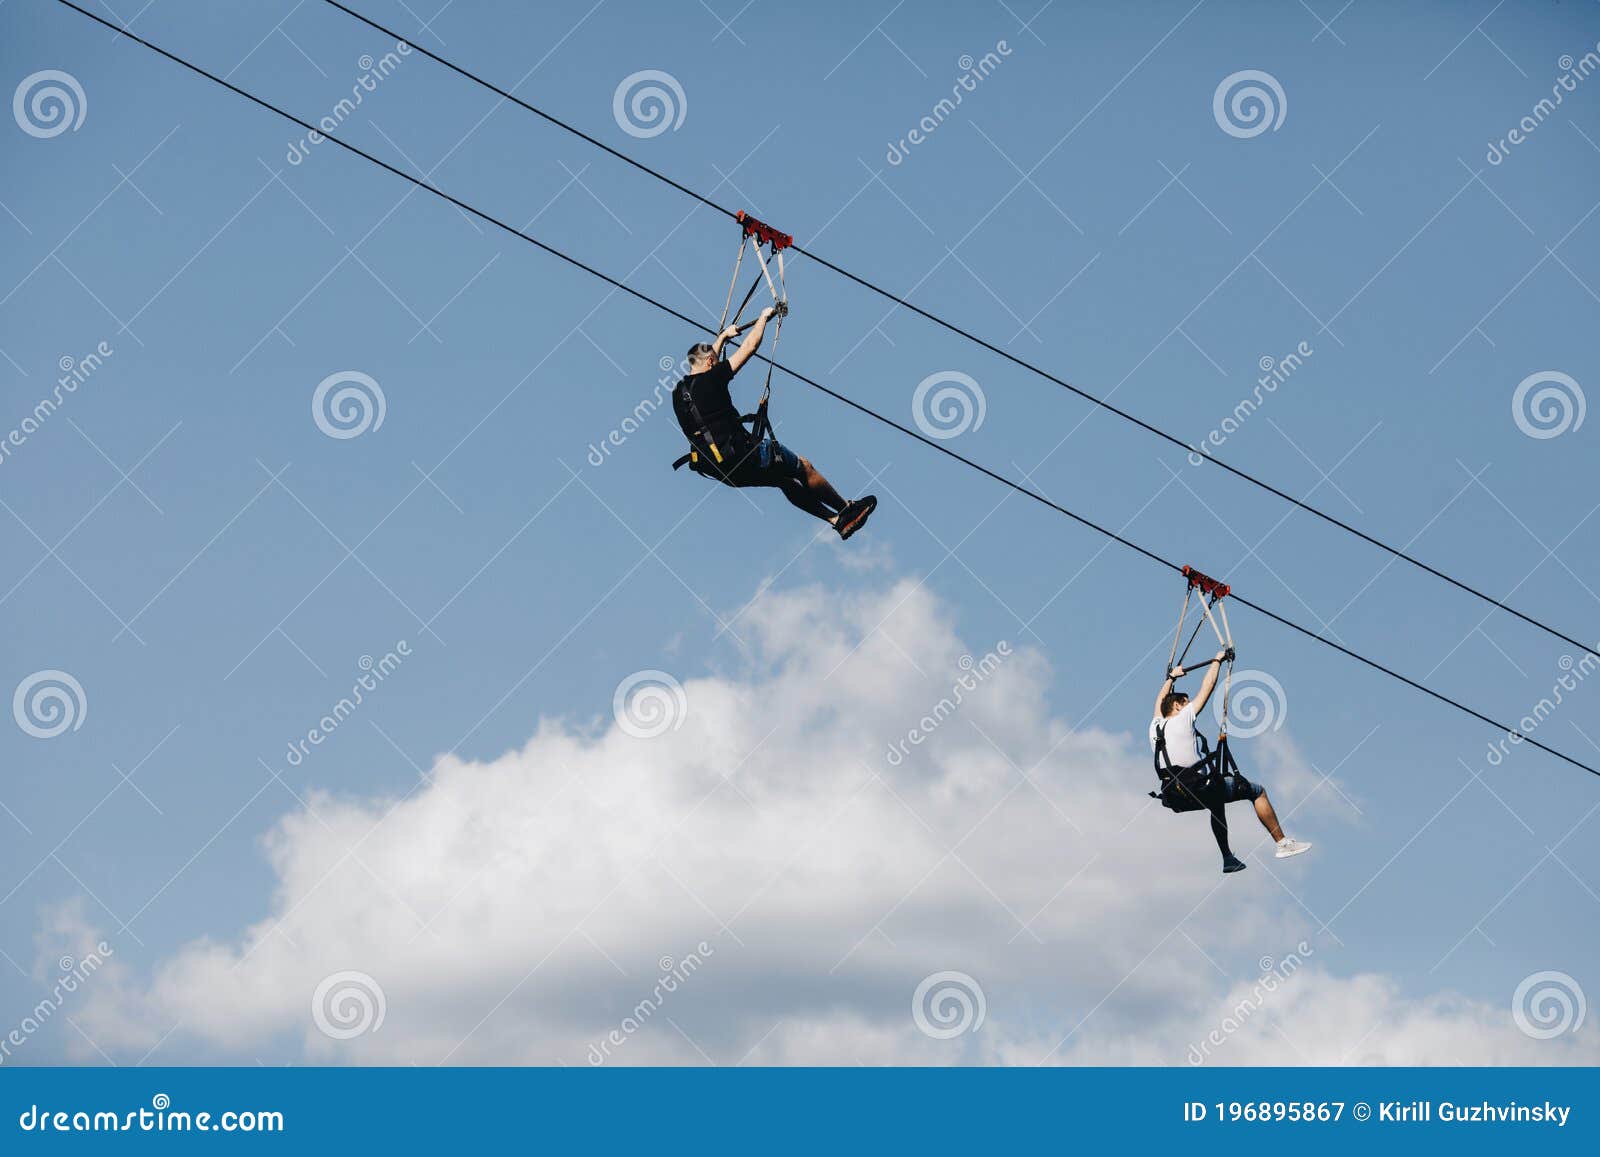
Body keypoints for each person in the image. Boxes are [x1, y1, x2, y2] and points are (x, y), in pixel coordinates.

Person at [672, 305, 877, 539]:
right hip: (743, 456)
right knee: (803, 466)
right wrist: (764, 317)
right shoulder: (713, 378)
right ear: (710, 362)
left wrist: (722, 338)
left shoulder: (679, 394)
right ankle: (846, 509)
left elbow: (708, 360)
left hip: (722, 470)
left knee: (784, 481)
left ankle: (836, 520)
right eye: (715, 361)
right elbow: (749, 347)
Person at [1150, 649, 1311, 874]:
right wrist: (1217, 660)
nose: (1189, 705)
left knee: (1216, 800)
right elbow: (1207, 687)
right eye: (1186, 702)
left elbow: (1159, 702)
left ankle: (1227, 858)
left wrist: (1171, 679)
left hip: (1175, 796)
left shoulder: (1154, 727)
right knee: (1257, 791)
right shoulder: (1183, 718)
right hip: (1196, 787)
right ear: (1178, 706)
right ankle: (1282, 843)